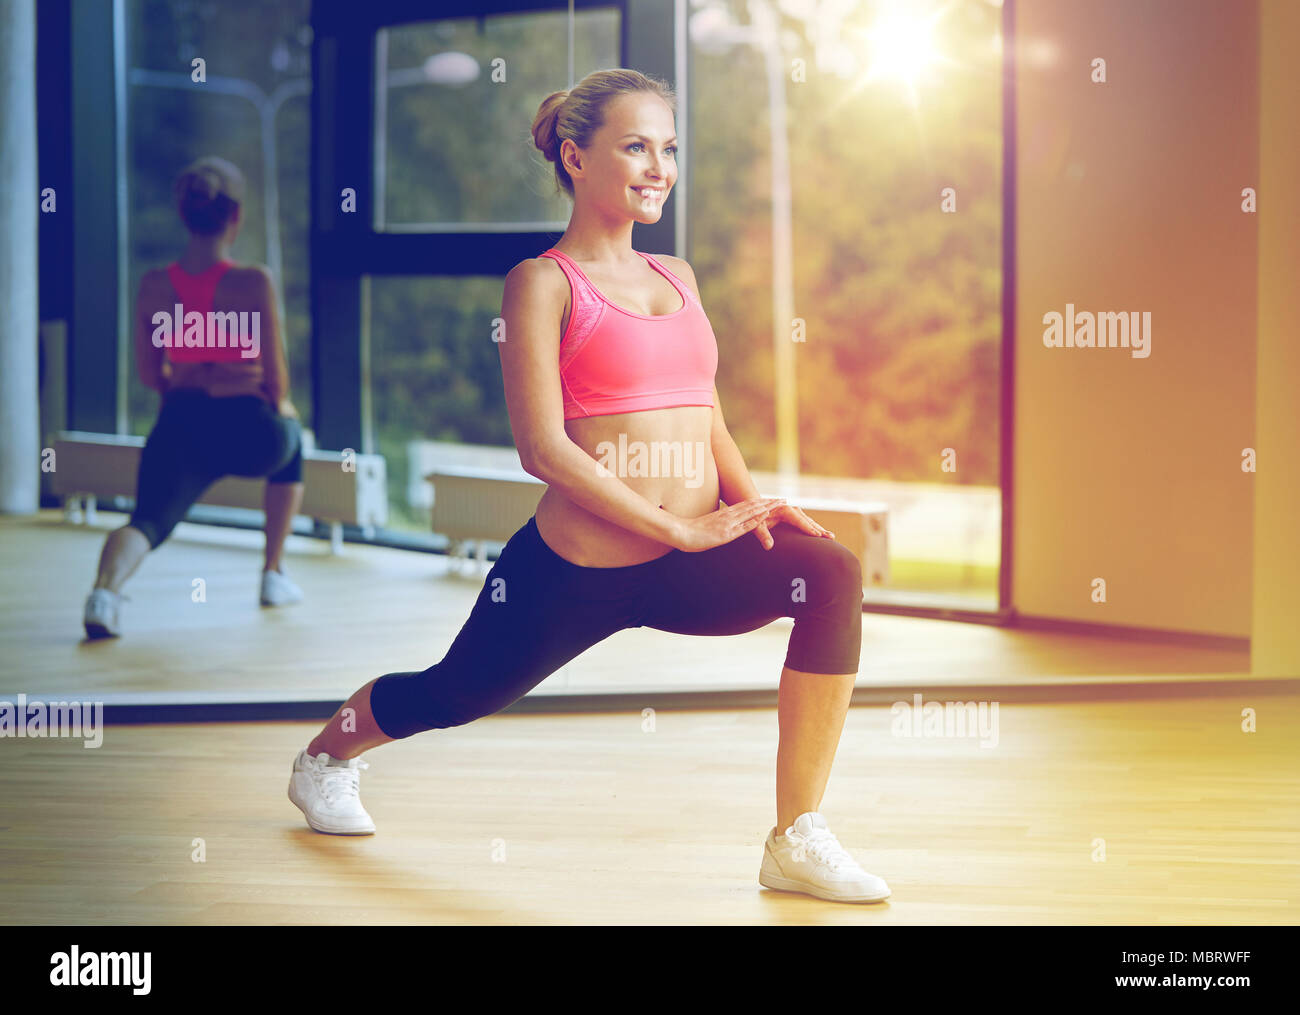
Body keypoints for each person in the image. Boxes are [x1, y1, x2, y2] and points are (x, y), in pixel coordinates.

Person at [288, 70, 889, 904]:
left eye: (668, 149)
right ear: (575, 156)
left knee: (831, 574)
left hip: (688, 556)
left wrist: (751, 506)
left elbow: (704, 410)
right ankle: (325, 756)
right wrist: (673, 527)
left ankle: (796, 836)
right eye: (636, 146)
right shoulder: (542, 282)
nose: (658, 167)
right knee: (455, 692)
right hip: (574, 569)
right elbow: (543, 448)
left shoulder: (677, 274)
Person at [82, 156, 306, 639]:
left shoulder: (154, 284)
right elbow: (276, 374)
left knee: (145, 522)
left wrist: (183, 394)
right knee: (293, 435)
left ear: (184, 216)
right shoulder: (254, 281)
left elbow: (149, 373)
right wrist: (279, 405)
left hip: (179, 423)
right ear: (235, 217)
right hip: (251, 428)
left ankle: (104, 594)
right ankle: (272, 575)